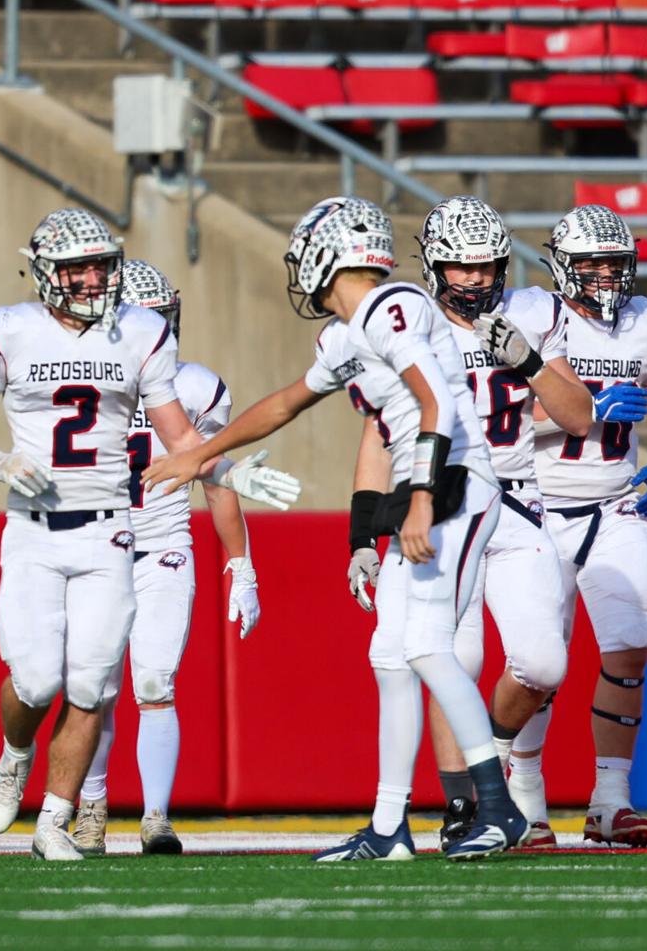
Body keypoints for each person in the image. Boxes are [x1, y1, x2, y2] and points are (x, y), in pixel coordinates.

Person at [144, 196, 530, 861]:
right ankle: (387, 827)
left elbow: (434, 399)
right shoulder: (349, 332)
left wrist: (418, 501)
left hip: (455, 488)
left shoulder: (390, 307)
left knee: (429, 647)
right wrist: (196, 455)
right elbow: (287, 402)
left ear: (324, 253)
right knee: (389, 655)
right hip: (431, 488)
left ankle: (498, 809)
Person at [0, 208, 298, 861]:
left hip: (111, 532)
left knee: (92, 686)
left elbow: (183, 438)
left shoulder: (141, 333)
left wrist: (233, 473)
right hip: (35, 529)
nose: (92, 278)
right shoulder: (7, 330)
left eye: (101, 264)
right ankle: (15, 753)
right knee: (35, 681)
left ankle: (55, 819)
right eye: (77, 267)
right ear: (46, 272)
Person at [408, 196, 590, 851]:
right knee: (456, 655)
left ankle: (496, 752)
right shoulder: (410, 322)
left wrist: (530, 365)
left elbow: (577, 417)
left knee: (542, 663)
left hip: (516, 502)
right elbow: (378, 430)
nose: (477, 278)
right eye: (460, 266)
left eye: (487, 265)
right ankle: (463, 806)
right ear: (433, 266)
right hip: (448, 499)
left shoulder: (531, 315)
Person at [70, 260, 263, 857]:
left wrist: (241, 565)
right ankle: (93, 806)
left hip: (163, 548)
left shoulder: (198, 387)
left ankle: (156, 817)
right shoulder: (84, 378)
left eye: (161, 319)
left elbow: (216, 483)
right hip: (95, 546)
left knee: (154, 679)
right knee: (94, 686)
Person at [509, 204, 647, 848]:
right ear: (562, 266)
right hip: (539, 502)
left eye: (616, 264)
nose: (608, 277)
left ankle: (610, 799)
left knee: (630, 646)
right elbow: (496, 413)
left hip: (616, 506)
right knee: (538, 666)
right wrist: (576, 413)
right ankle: (524, 800)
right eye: (592, 264)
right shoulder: (535, 317)